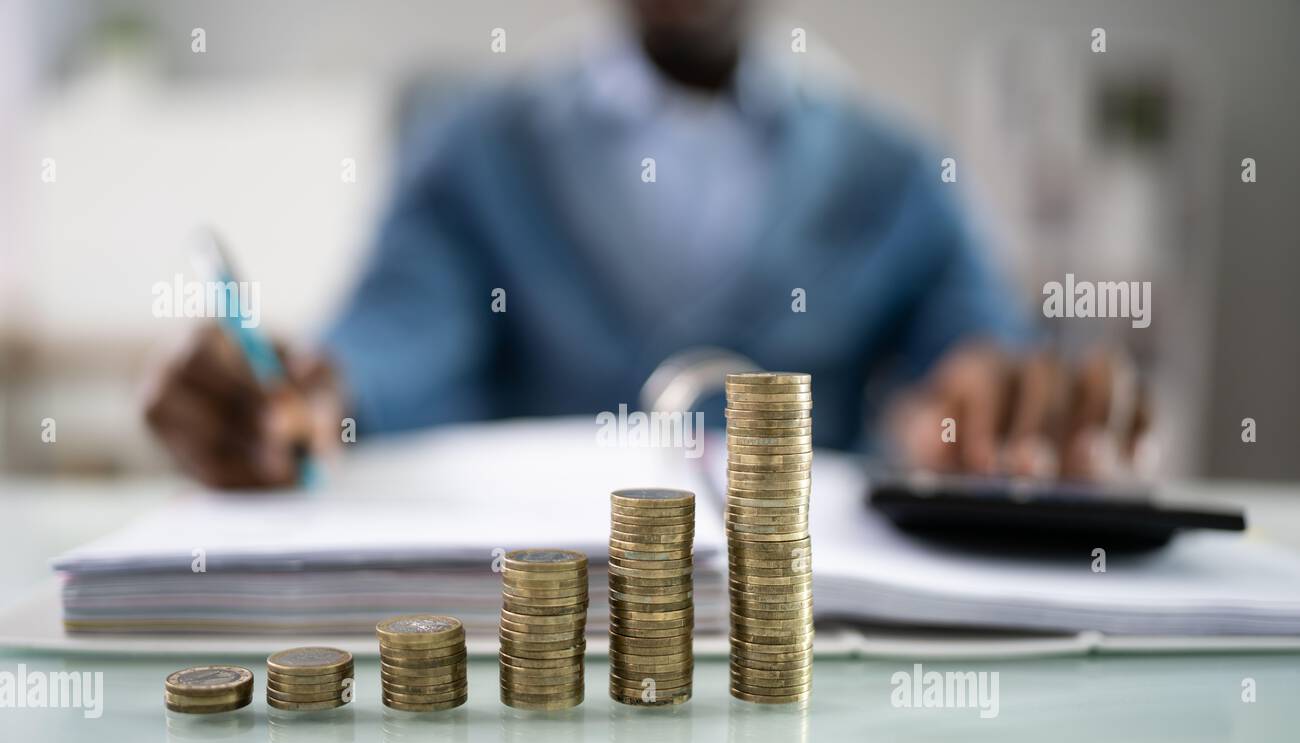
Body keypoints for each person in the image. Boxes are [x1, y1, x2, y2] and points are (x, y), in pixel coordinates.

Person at [144, 0, 1147, 489]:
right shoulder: (478, 148)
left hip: (822, 665)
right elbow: (395, 341)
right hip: (527, 660)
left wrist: (991, 407)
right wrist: (303, 396)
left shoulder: (892, 169)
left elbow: (970, 359)